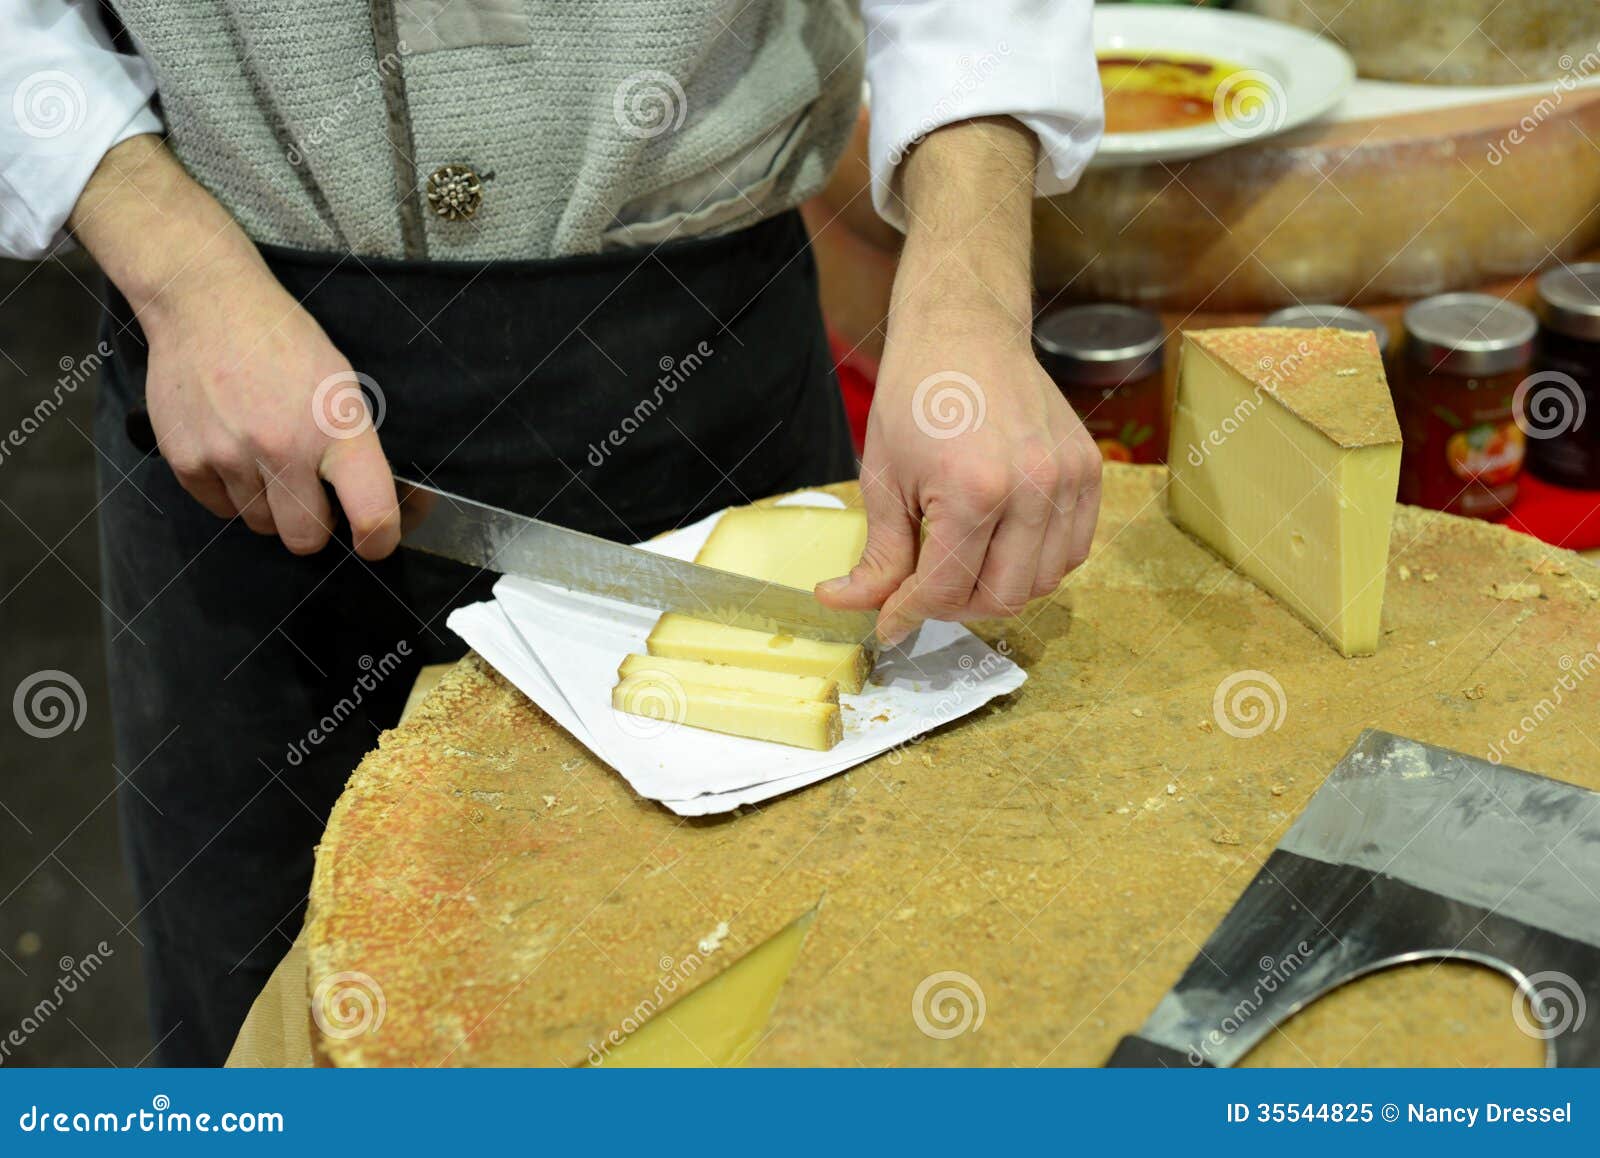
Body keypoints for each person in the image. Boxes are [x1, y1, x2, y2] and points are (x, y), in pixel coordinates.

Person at [2, 0, 1104, 1064]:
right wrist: (176, 265)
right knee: (278, 1023)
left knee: (773, 1027)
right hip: (234, 380)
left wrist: (968, 288)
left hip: (699, 356)